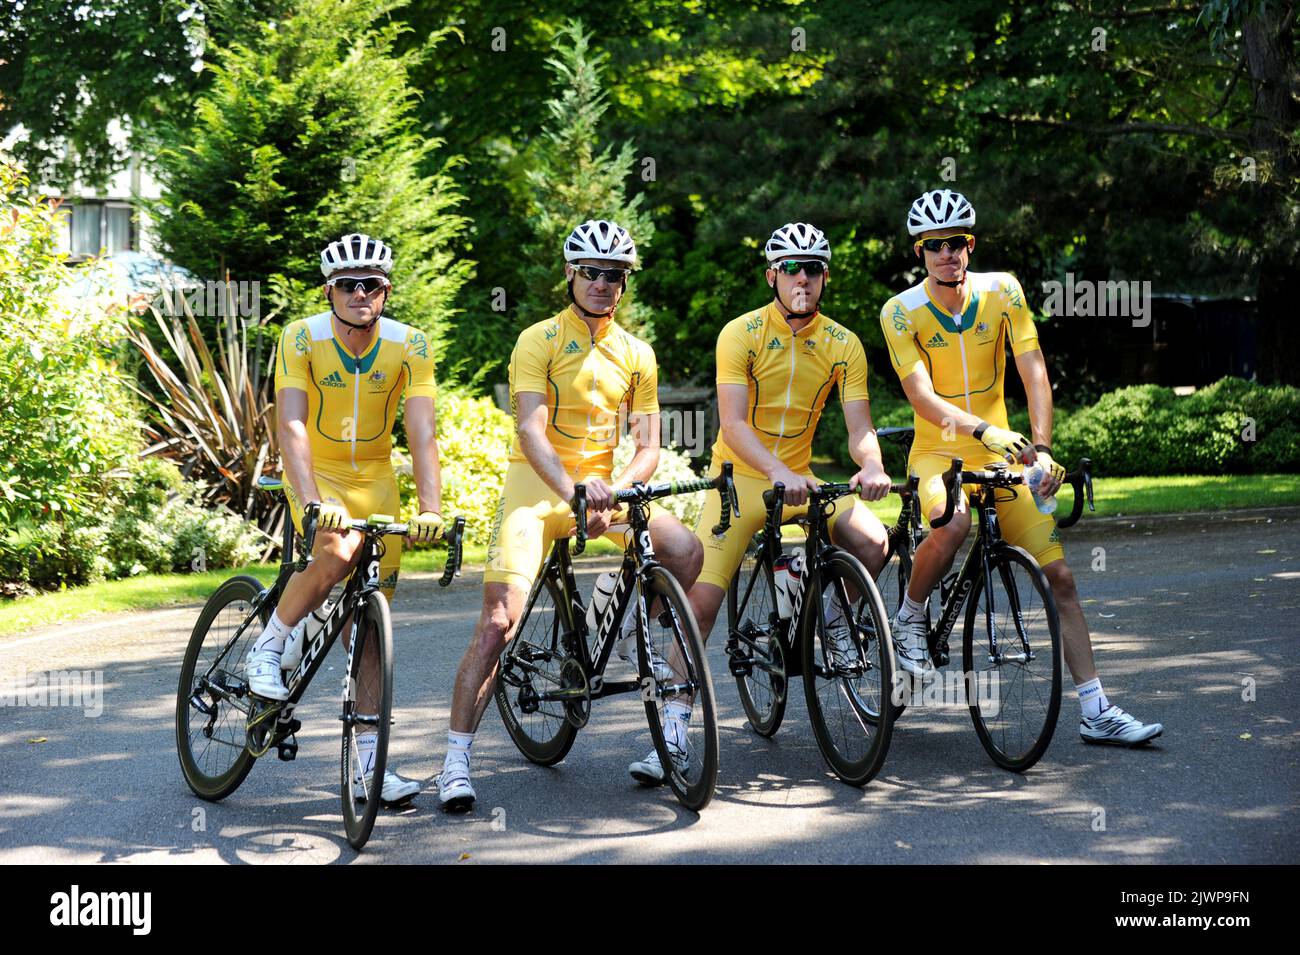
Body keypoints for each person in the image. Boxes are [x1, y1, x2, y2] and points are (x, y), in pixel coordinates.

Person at [436, 219, 703, 812]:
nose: (603, 284)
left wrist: (617, 488)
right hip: (539, 488)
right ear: (570, 274)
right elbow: (529, 429)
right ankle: (455, 760)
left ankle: (646, 632)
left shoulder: (638, 354)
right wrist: (574, 488)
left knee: (685, 551)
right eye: (592, 272)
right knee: (499, 623)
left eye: (615, 275)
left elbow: (649, 446)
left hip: (602, 493)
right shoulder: (538, 339)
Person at [878, 189, 1162, 745]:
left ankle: (1097, 711)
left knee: (1060, 577)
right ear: (920, 253)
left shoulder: (1003, 290)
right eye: (934, 246)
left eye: (956, 243)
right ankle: (910, 617)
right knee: (953, 523)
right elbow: (921, 398)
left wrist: (1043, 446)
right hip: (940, 454)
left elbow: (1033, 371)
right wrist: (982, 429)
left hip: (1005, 456)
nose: (947, 254)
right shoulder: (900, 311)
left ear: (970, 245)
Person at [673, 221, 893, 765]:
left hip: (800, 478)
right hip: (741, 479)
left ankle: (837, 626)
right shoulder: (741, 333)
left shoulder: (843, 343)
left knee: (873, 542)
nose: (803, 278)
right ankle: (673, 724)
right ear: (772, 275)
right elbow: (732, 424)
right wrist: (773, 470)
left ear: (824, 278)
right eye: (791, 268)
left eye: (813, 269)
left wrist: (871, 464)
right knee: (701, 600)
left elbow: (860, 426)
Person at [247, 233, 446, 803]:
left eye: (372, 284)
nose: (361, 293)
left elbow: (423, 433)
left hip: (377, 481)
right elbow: (289, 425)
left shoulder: (411, 344)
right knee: (334, 551)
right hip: (318, 470)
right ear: (329, 290)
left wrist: (430, 507)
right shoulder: (301, 337)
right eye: (348, 285)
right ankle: (270, 645)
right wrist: (310, 499)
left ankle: (369, 768)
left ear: (385, 291)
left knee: (371, 636)